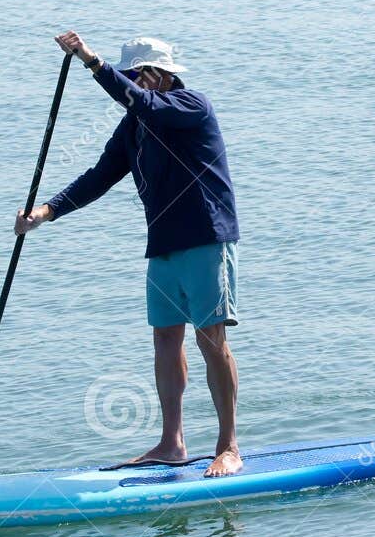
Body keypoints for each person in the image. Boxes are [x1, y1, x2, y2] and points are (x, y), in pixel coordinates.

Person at [17, 32, 243, 477]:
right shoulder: (134, 126)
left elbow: (146, 105)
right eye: (128, 77)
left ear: (158, 76)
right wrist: (46, 211)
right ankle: (171, 443)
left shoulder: (191, 107)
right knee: (165, 339)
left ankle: (229, 446)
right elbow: (100, 176)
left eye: (136, 76)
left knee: (210, 339)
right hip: (161, 244)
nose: (132, 85)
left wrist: (91, 61)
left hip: (205, 238)